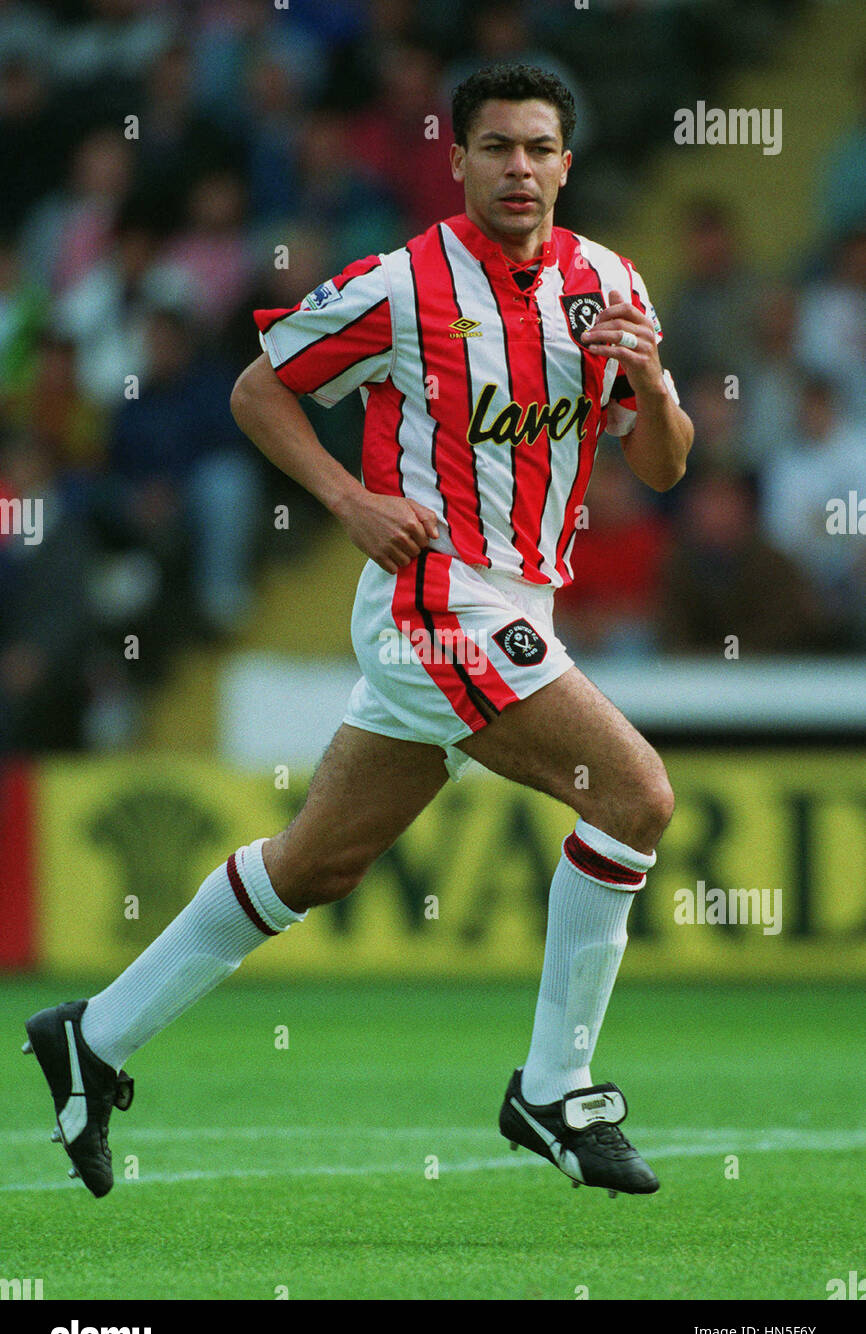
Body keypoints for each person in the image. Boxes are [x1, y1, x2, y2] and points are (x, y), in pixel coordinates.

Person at [23, 64, 692, 1200]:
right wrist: (347, 496)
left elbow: (660, 465)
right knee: (633, 795)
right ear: (459, 159)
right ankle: (552, 1087)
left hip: (515, 604)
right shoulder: (400, 284)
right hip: (431, 601)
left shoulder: (606, 285)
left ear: (565, 164)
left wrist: (656, 382)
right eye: (496, 147)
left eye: (538, 148)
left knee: (314, 865)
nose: (518, 168)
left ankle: (94, 1036)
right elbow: (255, 389)